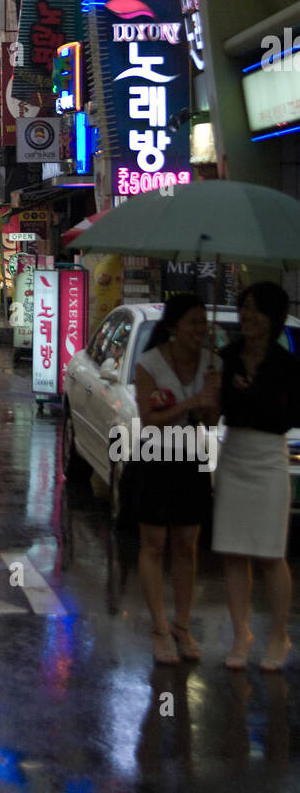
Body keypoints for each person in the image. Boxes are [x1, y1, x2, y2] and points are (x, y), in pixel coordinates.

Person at [213, 282, 300, 672]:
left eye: (256, 310)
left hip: (268, 458)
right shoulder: (226, 357)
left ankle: (279, 635)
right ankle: (240, 633)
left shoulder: (286, 364)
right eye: (244, 307)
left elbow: (288, 417)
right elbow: (218, 411)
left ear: (272, 317)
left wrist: (252, 394)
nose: (247, 316)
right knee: (233, 551)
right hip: (234, 453)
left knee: (269, 554)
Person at [133, 294, 222, 665]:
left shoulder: (212, 364)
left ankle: (182, 625)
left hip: (192, 455)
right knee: (154, 542)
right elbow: (149, 418)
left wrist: (211, 400)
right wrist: (190, 402)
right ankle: (158, 627)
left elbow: (211, 423)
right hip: (156, 454)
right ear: (174, 327)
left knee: (187, 543)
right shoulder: (149, 362)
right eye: (193, 323)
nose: (200, 330)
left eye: (204, 323)